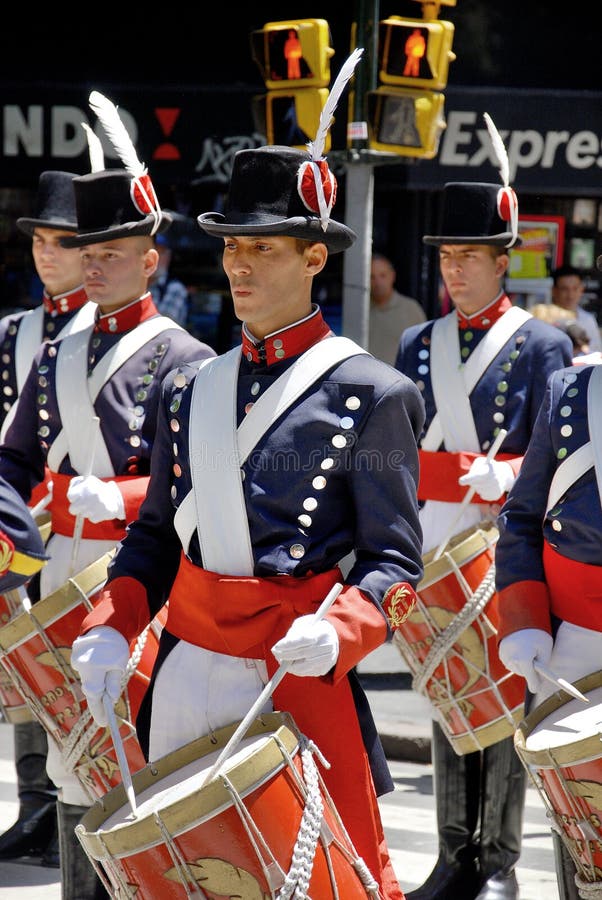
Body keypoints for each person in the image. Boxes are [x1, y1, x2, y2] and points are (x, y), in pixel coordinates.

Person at [70, 141, 426, 900]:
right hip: (183, 664)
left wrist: (341, 632)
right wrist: (110, 622)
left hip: (294, 674)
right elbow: (158, 535)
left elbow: (393, 561)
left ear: (313, 258)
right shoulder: (191, 386)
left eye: (262, 247)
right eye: (232, 246)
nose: (239, 265)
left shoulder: (373, 393)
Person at [0, 97, 216, 900]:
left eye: (113, 252)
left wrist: (119, 493)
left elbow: (186, 492)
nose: (94, 266)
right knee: (66, 753)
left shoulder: (185, 356)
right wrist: (11, 540)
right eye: (87, 252)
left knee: (123, 751)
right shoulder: (56, 346)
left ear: (151, 260)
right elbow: (13, 458)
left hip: (131, 577)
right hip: (55, 571)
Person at [394, 179, 574, 900]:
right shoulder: (417, 343)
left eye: (472, 256)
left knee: (501, 703)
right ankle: (451, 856)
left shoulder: (542, 343)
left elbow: (561, 452)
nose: (456, 269)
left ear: (505, 261)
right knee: (446, 696)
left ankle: (497, 860)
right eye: (448, 256)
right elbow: (394, 450)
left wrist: (507, 473)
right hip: (437, 537)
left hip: (503, 544)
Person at [0, 169, 96, 869]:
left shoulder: (104, 332)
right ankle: (35, 804)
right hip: (18, 524)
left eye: (62, 242)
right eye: (39, 240)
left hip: (83, 532)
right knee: (23, 666)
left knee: (72, 675)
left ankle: (75, 810)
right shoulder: (15, 331)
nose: (46, 253)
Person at [495, 357, 602, 900]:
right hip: (575, 647)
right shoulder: (571, 390)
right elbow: (521, 517)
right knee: (581, 836)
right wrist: (525, 621)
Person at [369, 253, 426, 366]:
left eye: (383, 275)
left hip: (400, 380)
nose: (378, 282)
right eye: (372, 277)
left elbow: (423, 349)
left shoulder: (411, 309)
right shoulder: (357, 310)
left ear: (392, 276)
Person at [550, 264, 602, 352]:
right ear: (554, 291)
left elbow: (596, 352)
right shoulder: (545, 318)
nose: (570, 295)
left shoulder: (588, 319)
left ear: (581, 290)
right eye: (564, 289)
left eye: (575, 288)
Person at [148, 231, 191, 327]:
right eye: (153, 252)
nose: (156, 259)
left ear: (169, 257)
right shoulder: (133, 284)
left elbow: (164, 327)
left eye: (161, 253)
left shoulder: (175, 289)